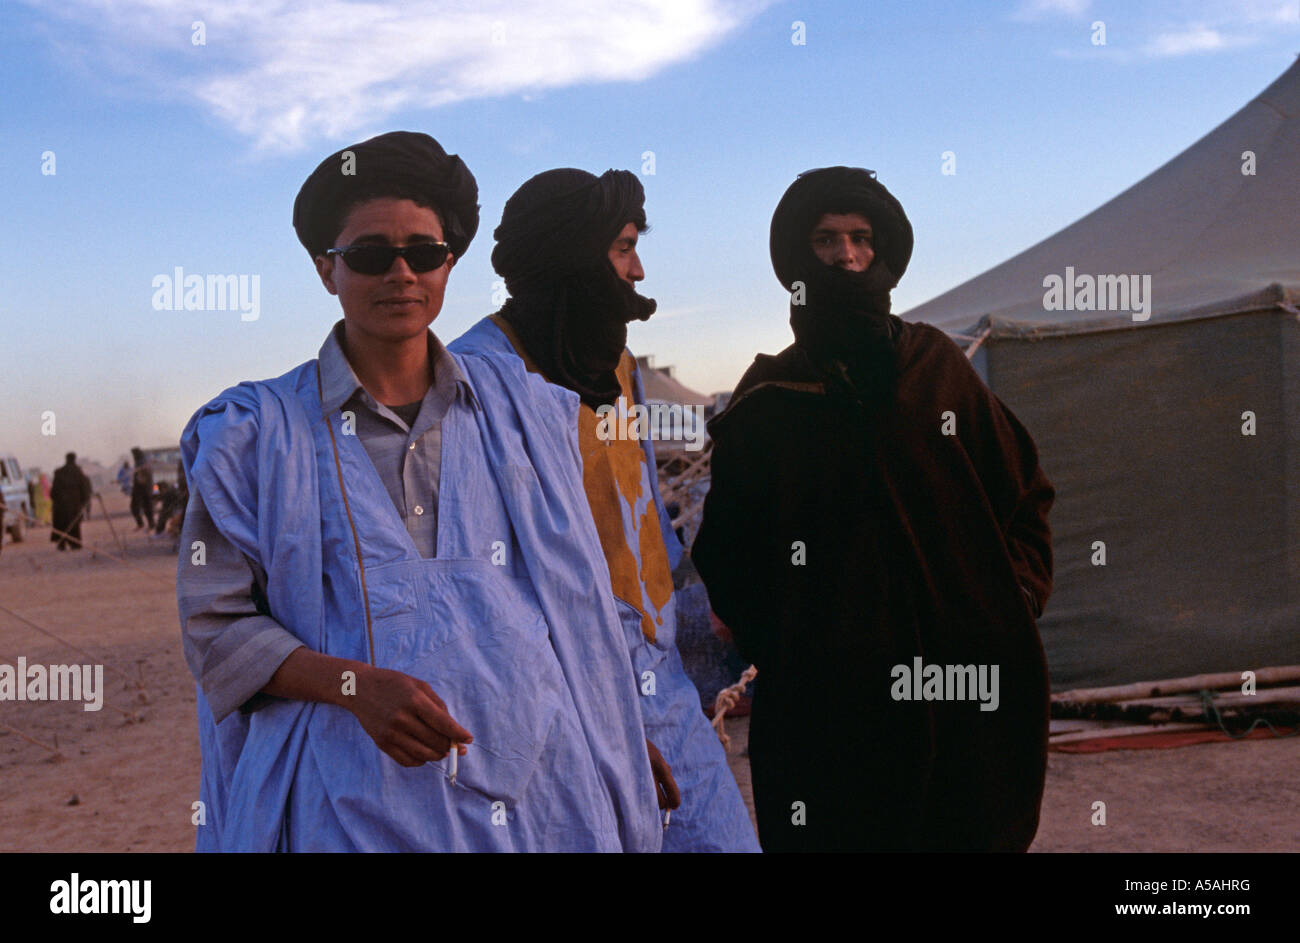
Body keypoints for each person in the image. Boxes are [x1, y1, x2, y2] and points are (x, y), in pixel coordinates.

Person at [176, 131, 664, 852]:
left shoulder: (523, 410)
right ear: (325, 268)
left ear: (449, 263)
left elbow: (571, 605)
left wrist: (612, 732)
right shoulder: (256, 434)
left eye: (424, 253)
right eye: (371, 254)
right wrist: (352, 686)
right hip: (344, 809)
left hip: (542, 801)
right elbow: (216, 628)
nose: (401, 274)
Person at [692, 166, 1055, 852]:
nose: (848, 257)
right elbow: (728, 555)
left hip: (964, 702)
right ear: (799, 259)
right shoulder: (768, 400)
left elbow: (1025, 494)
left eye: (861, 238)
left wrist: (1006, 600)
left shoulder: (937, 370)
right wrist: (802, 643)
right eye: (826, 240)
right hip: (831, 719)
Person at [451, 168, 760, 852]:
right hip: (559, 684)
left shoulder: (615, 364)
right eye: (622, 248)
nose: (639, 268)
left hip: (660, 668)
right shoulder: (475, 379)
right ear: (572, 256)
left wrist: (686, 598)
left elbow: (640, 498)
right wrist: (585, 722)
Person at [50, 452, 92, 551]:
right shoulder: (78, 472)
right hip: (74, 505)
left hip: (61, 505)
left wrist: (56, 501)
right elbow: (85, 489)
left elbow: (53, 491)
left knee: (62, 524)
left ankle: (62, 543)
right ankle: (75, 544)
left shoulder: (59, 472)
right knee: (74, 524)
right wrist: (84, 501)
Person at [129, 448, 155, 531]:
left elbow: (144, 474)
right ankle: (143, 524)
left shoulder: (143, 463)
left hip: (144, 489)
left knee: (146, 508)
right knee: (141, 507)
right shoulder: (139, 463)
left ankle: (149, 525)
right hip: (141, 489)